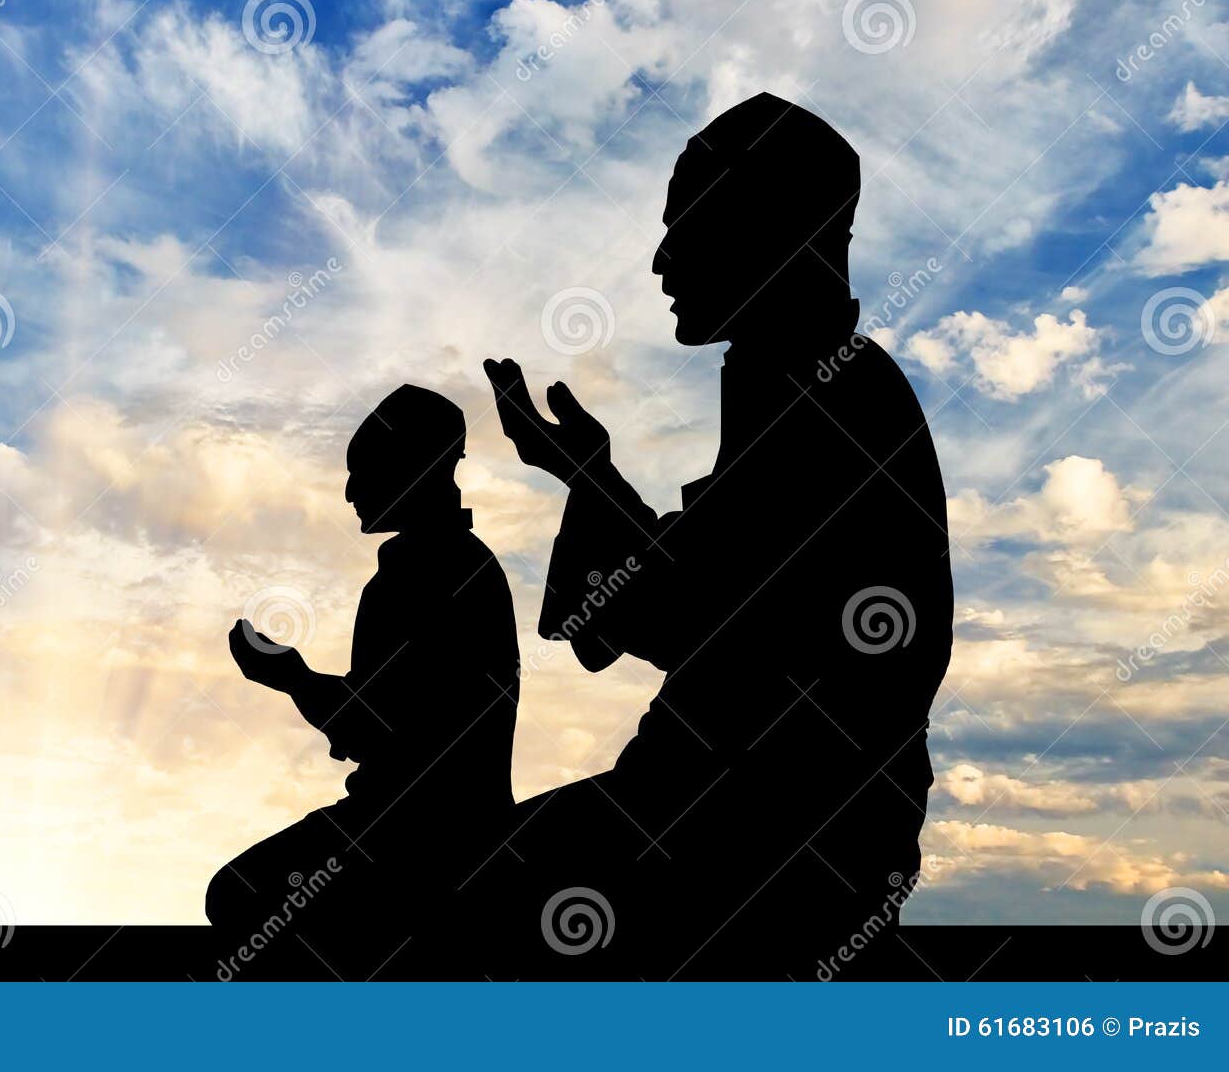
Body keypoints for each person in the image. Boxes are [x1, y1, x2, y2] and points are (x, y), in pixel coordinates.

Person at [482, 92, 953, 975]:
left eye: (688, 225)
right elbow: (694, 590)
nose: (661, 261)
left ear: (770, 229)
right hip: (738, 808)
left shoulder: (827, 404)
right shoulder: (801, 390)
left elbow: (692, 616)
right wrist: (588, 476)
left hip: (769, 830)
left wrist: (589, 481)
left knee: (491, 895)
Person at [207, 384, 520, 974]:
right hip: (420, 824)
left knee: (239, 895)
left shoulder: (428, 572)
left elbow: (377, 727)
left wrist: (292, 677)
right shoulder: (450, 564)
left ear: (413, 468)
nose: (351, 492)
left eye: (364, 472)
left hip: (415, 835)